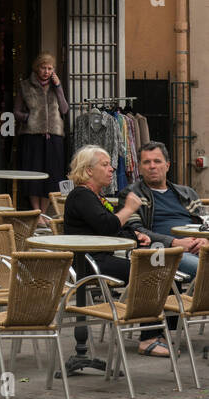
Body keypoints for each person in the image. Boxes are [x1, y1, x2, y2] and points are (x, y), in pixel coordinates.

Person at [62, 146, 167, 356]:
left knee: (159, 269)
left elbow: (112, 226)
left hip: (101, 259)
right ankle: (149, 338)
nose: (112, 169)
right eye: (105, 164)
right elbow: (107, 226)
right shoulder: (80, 196)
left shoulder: (95, 196)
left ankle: (160, 331)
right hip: (88, 263)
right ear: (89, 170)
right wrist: (128, 208)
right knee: (148, 273)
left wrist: (136, 236)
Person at [123, 141, 203, 280]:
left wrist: (204, 240)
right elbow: (135, 230)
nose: (152, 166)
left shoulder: (187, 193)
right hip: (160, 251)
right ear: (140, 168)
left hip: (197, 248)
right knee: (204, 269)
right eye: (147, 162)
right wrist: (174, 242)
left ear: (167, 165)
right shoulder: (131, 195)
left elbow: (205, 224)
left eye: (157, 161)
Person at [14, 52, 70, 212]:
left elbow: (65, 109)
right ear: (37, 68)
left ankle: (44, 213)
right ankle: (36, 210)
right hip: (32, 137)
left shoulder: (55, 86)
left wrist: (58, 87)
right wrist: (30, 118)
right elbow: (16, 112)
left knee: (51, 175)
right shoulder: (25, 86)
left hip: (54, 137)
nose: (46, 71)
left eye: (49, 68)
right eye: (43, 67)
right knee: (33, 174)